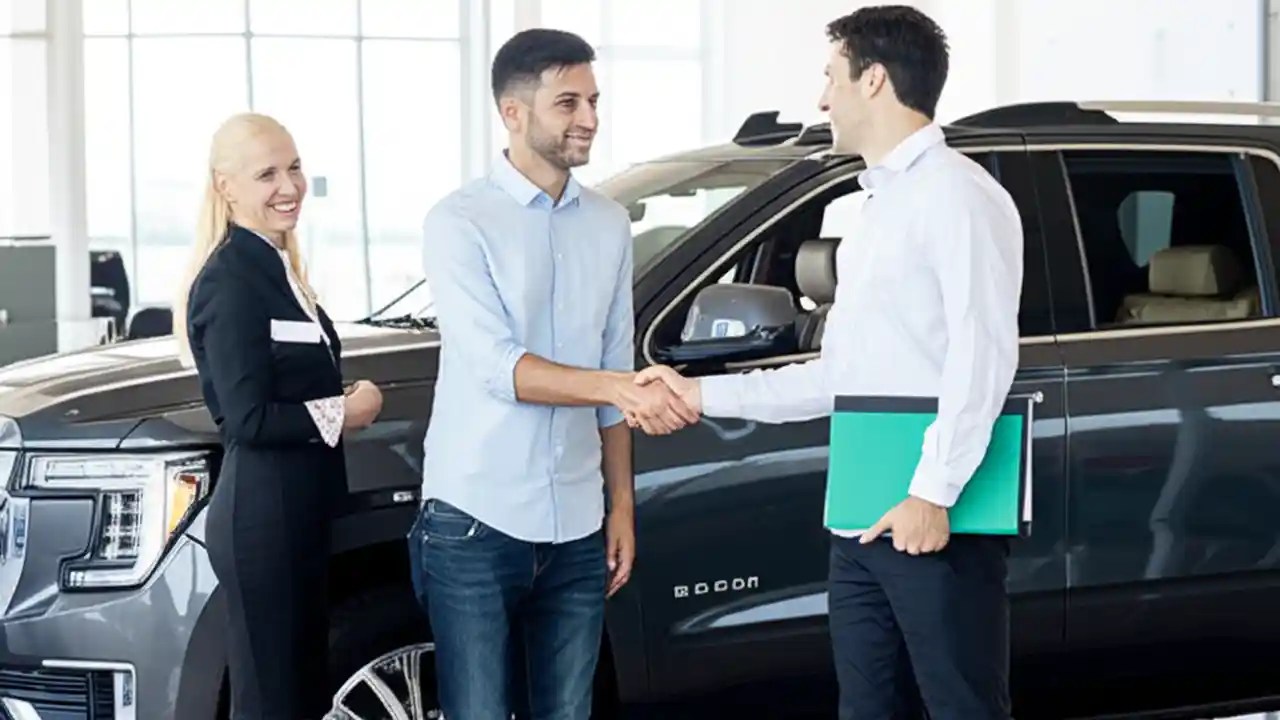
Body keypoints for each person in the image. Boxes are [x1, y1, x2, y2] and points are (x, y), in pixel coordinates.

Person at [634, 6, 1024, 719]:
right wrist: (697, 394)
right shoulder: (875, 208)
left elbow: (984, 353)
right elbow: (839, 377)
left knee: (962, 708)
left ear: (874, 80)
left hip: (932, 518)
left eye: (830, 77)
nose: (821, 98)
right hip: (860, 521)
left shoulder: (959, 196)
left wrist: (933, 493)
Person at [409, 28, 697, 720]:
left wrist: (619, 507)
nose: (590, 118)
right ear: (513, 113)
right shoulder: (458, 222)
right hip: (475, 519)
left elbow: (613, 367)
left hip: (576, 526)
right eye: (568, 102)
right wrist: (618, 387)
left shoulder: (607, 223)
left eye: (594, 100)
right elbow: (496, 368)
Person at [175, 112, 384, 720]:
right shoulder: (231, 280)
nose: (289, 185)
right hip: (263, 519)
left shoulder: (277, 266)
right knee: (271, 701)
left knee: (297, 693)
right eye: (267, 173)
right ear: (226, 187)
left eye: (293, 167)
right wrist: (344, 410)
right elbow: (246, 418)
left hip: (298, 512)